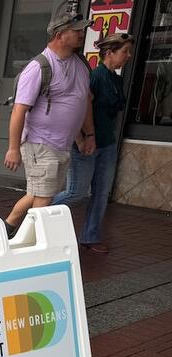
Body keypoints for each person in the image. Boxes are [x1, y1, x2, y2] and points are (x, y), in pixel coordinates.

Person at [2, 6, 94, 237]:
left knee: (38, 193)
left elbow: (81, 104)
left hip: (62, 145)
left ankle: (6, 230)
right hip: (39, 143)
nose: (82, 35)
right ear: (59, 34)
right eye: (77, 31)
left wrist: (86, 137)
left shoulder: (81, 65)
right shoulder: (38, 68)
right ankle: (29, 245)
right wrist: (13, 148)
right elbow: (19, 111)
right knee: (43, 199)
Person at [50, 33, 134, 254]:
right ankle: (38, 213)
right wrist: (83, 138)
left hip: (107, 145)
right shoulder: (94, 76)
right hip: (87, 143)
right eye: (124, 51)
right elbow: (79, 109)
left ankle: (91, 236)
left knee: (101, 192)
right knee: (75, 192)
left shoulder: (116, 78)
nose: (128, 56)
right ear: (109, 53)